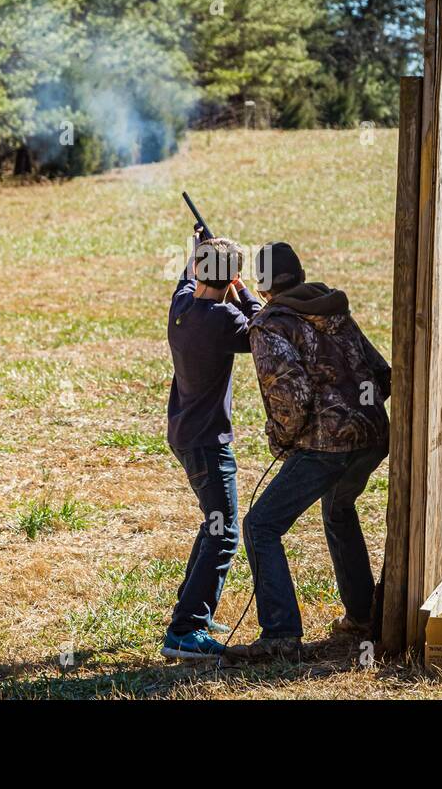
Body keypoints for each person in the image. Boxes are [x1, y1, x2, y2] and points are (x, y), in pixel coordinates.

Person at [231, 241, 391, 661]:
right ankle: (362, 617)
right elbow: (381, 374)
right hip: (372, 437)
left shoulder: (270, 325)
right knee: (339, 511)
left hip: (326, 445)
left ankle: (280, 635)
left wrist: (284, 440)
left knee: (261, 526)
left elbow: (291, 397)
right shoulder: (332, 309)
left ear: (264, 287)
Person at [161, 231, 261, 660]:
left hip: (185, 435)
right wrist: (239, 287)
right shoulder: (226, 322)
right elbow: (263, 323)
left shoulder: (181, 307)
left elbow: (188, 278)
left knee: (213, 524)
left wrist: (204, 250)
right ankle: (185, 630)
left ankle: (192, 611)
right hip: (208, 444)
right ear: (231, 278)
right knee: (224, 534)